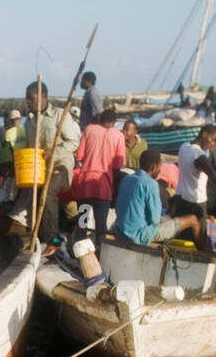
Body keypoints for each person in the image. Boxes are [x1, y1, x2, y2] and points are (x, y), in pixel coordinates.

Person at [12, 80, 80, 246]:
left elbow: (74, 142)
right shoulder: (29, 122)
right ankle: (37, 235)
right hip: (39, 170)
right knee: (30, 194)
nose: (28, 102)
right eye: (27, 99)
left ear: (43, 97)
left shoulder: (59, 115)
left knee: (47, 191)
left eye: (31, 98)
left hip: (61, 167)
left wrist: (53, 152)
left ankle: (53, 240)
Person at [114, 149, 202, 248]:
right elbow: (155, 220)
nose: (160, 170)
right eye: (159, 167)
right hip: (140, 235)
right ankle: (203, 254)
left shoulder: (127, 179)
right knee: (193, 220)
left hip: (120, 231)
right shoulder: (151, 184)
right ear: (153, 167)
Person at [72, 108, 126, 236]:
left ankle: (79, 247)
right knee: (101, 226)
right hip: (103, 187)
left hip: (85, 185)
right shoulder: (118, 136)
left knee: (82, 222)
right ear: (113, 123)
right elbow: (118, 165)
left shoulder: (89, 129)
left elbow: (79, 156)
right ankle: (99, 250)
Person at [173, 124, 216, 222]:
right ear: (204, 135)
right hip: (196, 202)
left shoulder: (184, 146)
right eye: (212, 140)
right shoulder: (199, 155)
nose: (213, 144)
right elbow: (214, 177)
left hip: (181, 198)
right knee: (200, 233)